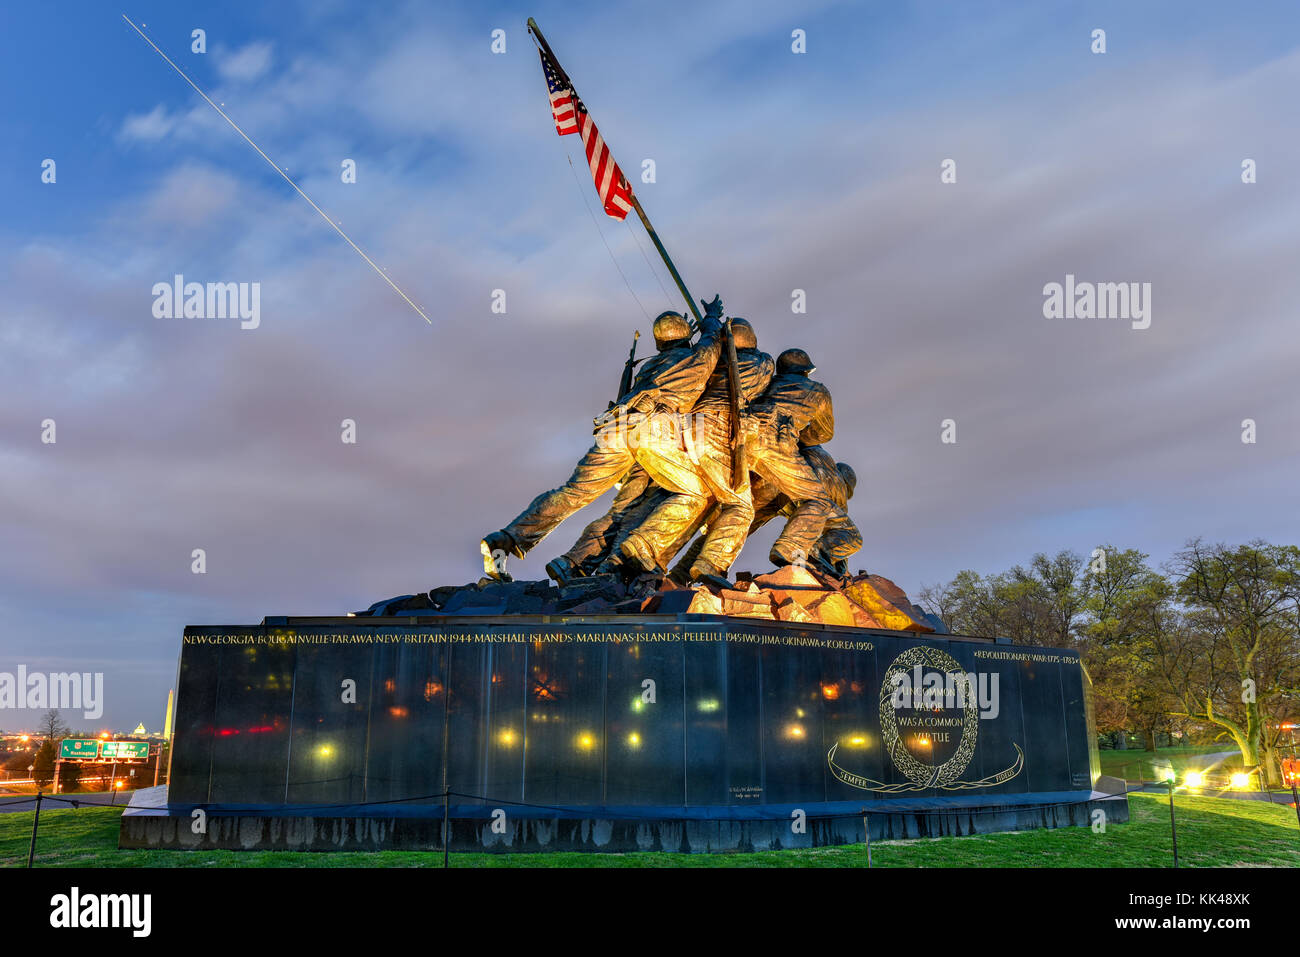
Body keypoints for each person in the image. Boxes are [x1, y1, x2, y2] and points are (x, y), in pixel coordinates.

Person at [479, 300, 724, 579]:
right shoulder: (698, 358)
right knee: (697, 493)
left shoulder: (650, 367)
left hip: (616, 426)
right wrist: (713, 316)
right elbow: (712, 339)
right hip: (654, 431)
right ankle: (637, 550)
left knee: (574, 492)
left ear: (658, 345)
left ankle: (507, 538)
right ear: (687, 338)